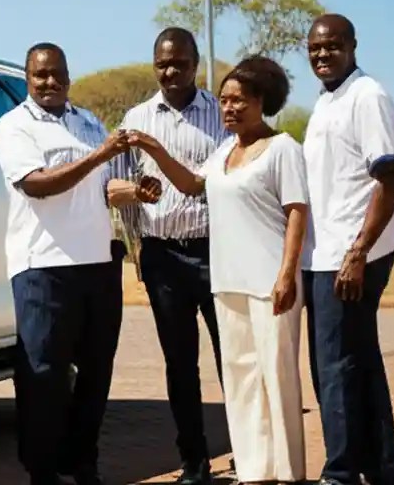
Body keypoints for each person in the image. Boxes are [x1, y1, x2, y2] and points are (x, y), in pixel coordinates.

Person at [126, 55, 309, 485]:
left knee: (276, 378)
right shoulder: (224, 150)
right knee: (242, 379)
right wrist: (153, 148)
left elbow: (297, 212)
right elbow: (191, 184)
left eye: (238, 101)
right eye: (224, 100)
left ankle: (288, 472)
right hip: (228, 282)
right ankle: (254, 470)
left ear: (261, 101)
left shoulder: (283, 148)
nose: (228, 108)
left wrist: (287, 274)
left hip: (270, 283)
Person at [0, 42, 136, 485]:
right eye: (41, 75)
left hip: (97, 261)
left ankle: (83, 463)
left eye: (58, 73)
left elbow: (102, 185)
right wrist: (99, 156)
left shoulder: (88, 121)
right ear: (28, 78)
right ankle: (42, 470)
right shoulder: (14, 127)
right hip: (42, 267)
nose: (50, 81)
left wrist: (132, 188)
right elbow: (36, 185)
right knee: (44, 375)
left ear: (69, 76)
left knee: (96, 370)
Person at [106, 26, 230, 485]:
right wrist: (136, 207)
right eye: (162, 64)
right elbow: (114, 190)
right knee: (180, 365)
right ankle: (194, 462)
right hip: (162, 259)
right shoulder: (135, 120)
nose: (171, 71)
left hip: (218, 253)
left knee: (231, 358)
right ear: (153, 65)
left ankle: (247, 451)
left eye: (180, 63)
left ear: (197, 64)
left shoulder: (222, 115)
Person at [301, 14, 394, 485]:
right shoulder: (328, 99)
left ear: (352, 45)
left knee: (336, 367)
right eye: (314, 48)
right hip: (328, 253)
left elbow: (389, 177)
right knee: (357, 361)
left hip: (349, 255)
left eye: (332, 46)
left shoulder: (367, 96)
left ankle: (341, 473)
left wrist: (359, 252)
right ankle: (381, 469)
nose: (322, 54)